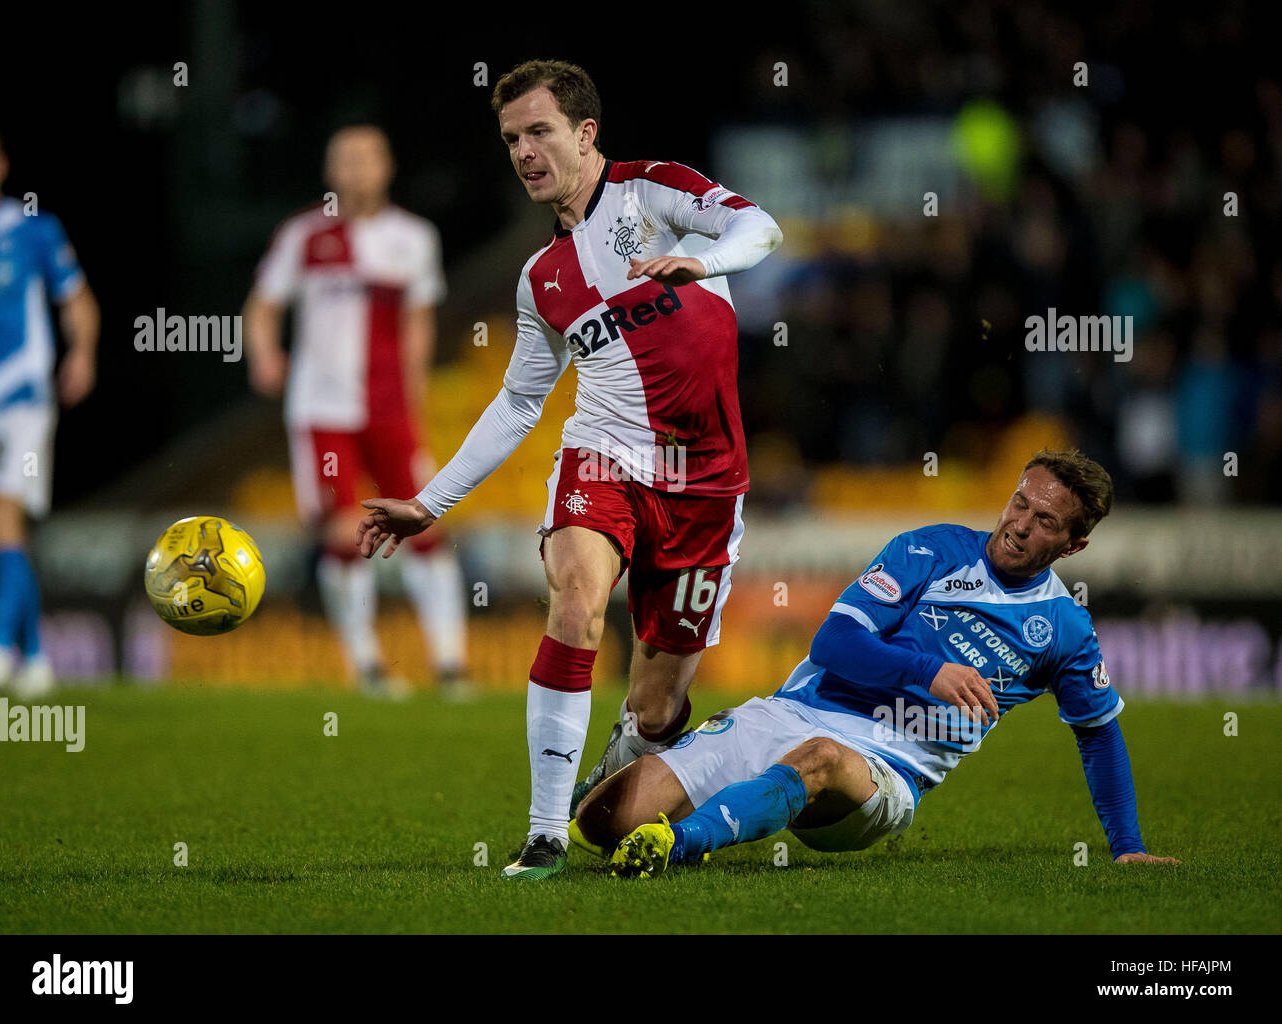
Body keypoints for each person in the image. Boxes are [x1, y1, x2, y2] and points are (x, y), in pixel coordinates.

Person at [355, 60, 783, 879]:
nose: (523, 151)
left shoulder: (654, 191)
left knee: (659, 709)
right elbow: (519, 404)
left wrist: (707, 262)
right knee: (577, 601)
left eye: (539, 131)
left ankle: (630, 747)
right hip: (605, 458)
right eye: (512, 138)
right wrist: (428, 502)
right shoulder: (540, 281)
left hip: (708, 483)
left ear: (586, 133)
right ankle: (545, 832)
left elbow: (762, 225)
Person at [571, 449, 1182, 876]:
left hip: (884, 772)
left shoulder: (1065, 631)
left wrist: (1126, 846)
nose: (1019, 525)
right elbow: (832, 646)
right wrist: (927, 672)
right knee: (600, 822)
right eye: (1019, 502)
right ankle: (634, 793)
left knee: (822, 759)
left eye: (1044, 521)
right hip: (789, 713)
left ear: (1074, 544)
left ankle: (679, 845)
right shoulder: (930, 549)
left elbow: (1098, 736)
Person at [245, 124, 471, 699]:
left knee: (423, 527)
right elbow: (263, 305)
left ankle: (450, 665)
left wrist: (416, 394)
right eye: (344, 159)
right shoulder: (303, 235)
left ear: (387, 166)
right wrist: (264, 354)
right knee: (344, 532)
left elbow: (418, 321)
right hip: (322, 411)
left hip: (391, 409)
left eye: (366, 158)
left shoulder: (413, 237)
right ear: (330, 171)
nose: (355, 169)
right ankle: (368, 667)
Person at [0, 120, 99, 696]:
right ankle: (34, 656)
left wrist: (82, 351)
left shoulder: (32, 231)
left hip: (22, 395)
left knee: (3, 508)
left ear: (0, 168)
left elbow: (76, 298)